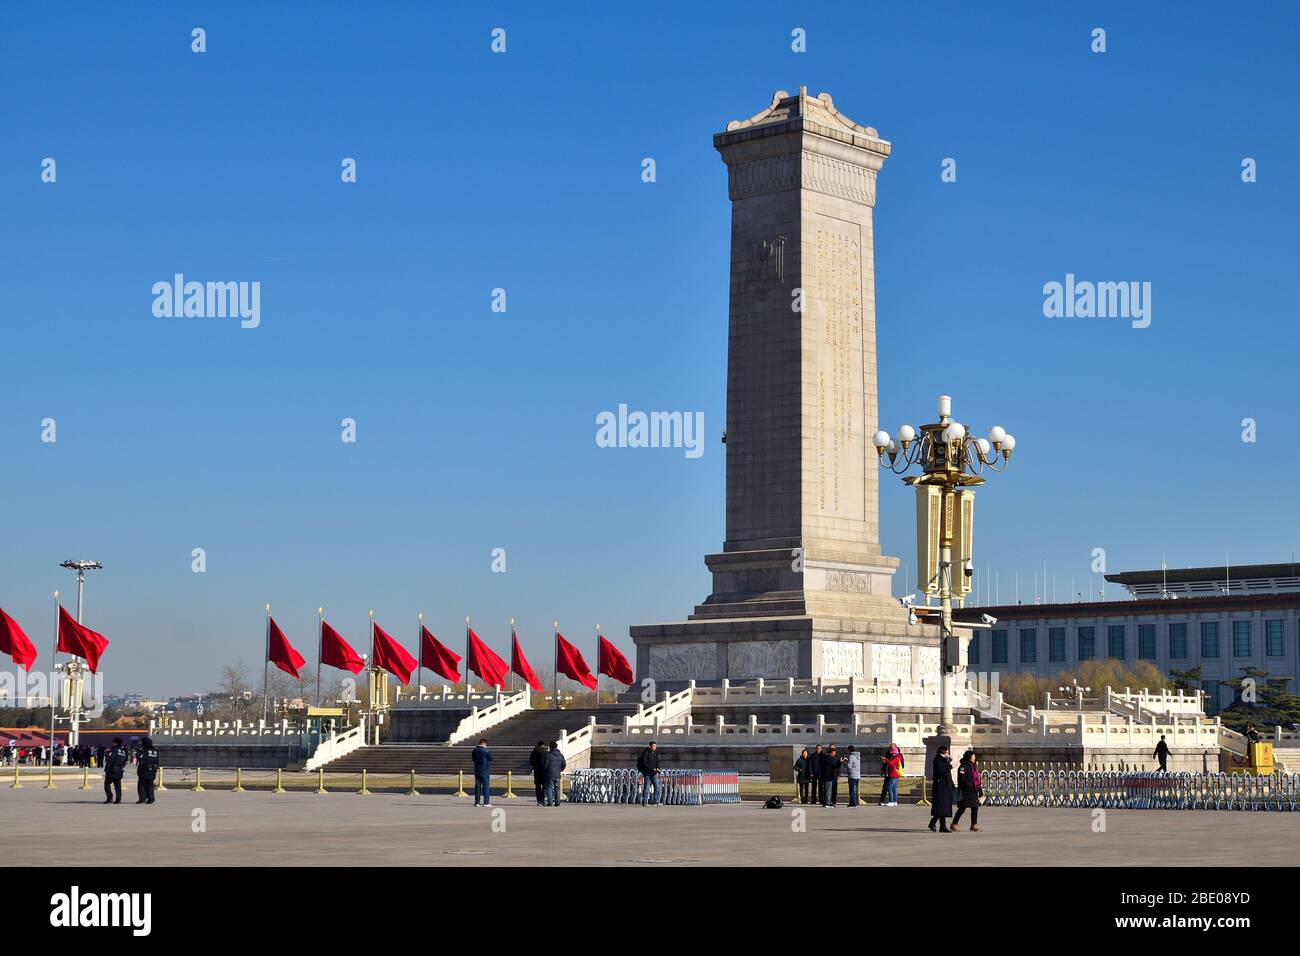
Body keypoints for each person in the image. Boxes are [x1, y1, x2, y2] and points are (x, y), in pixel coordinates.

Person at [950, 750, 983, 832]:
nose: (974, 758)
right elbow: (962, 779)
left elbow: (976, 779)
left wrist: (979, 789)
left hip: (973, 791)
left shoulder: (973, 766)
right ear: (969, 757)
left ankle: (973, 825)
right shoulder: (963, 766)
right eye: (973, 756)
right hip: (966, 791)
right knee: (962, 807)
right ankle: (954, 824)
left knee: (975, 807)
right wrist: (970, 786)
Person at [928, 745, 954, 832]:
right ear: (944, 752)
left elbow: (947, 774)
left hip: (945, 786)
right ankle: (939, 825)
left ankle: (937, 825)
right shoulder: (938, 760)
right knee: (941, 807)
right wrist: (950, 765)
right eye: (947, 752)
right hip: (940, 787)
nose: (948, 754)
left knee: (943, 808)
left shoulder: (943, 760)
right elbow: (941, 771)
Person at [135, 737, 160, 805]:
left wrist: (139, 771)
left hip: (144, 771)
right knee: (150, 785)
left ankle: (142, 798)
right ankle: (151, 798)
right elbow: (157, 762)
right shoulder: (155, 751)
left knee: (141, 785)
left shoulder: (145, 751)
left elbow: (142, 762)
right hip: (152, 771)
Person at [102, 738, 128, 805]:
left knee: (107, 784)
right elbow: (125, 760)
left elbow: (110, 760)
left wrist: (107, 769)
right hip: (119, 770)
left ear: (115, 743)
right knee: (118, 786)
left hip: (112, 770)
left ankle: (109, 798)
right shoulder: (123, 751)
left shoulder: (114, 750)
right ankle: (118, 799)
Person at [636, 740, 661, 806]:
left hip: (654, 773)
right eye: (653, 746)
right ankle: (645, 801)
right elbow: (645, 764)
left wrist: (658, 768)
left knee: (657, 787)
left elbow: (657, 762)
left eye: (655, 746)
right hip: (647, 773)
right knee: (646, 787)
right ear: (650, 746)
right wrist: (652, 769)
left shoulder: (656, 753)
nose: (655, 747)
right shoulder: (646, 753)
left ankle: (655, 800)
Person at [471, 737, 493, 807]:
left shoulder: (475, 750)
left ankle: (477, 802)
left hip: (477, 769)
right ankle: (486, 802)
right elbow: (491, 758)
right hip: (485, 770)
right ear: (484, 743)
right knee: (485, 786)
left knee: (477, 786)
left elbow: (473, 759)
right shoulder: (486, 750)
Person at [543, 741, 566, 806]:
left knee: (549, 788)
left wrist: (546, 771)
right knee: (557, 788)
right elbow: (564, 764)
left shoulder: (548, 755)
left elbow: (546, 765)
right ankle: (557, 802)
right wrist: (560, 770)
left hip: (550, 774)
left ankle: (550, 802)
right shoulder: (561, 755)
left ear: (550, 747)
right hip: (557, 774)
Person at [529, 741, 549, 806]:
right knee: (544, 787)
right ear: (543, 745)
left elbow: (531, 762)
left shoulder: (533, 752)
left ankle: (539, 801)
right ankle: (543, 800)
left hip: (536, 771)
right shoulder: (545, 753)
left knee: (537, 787)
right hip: (544, 772)